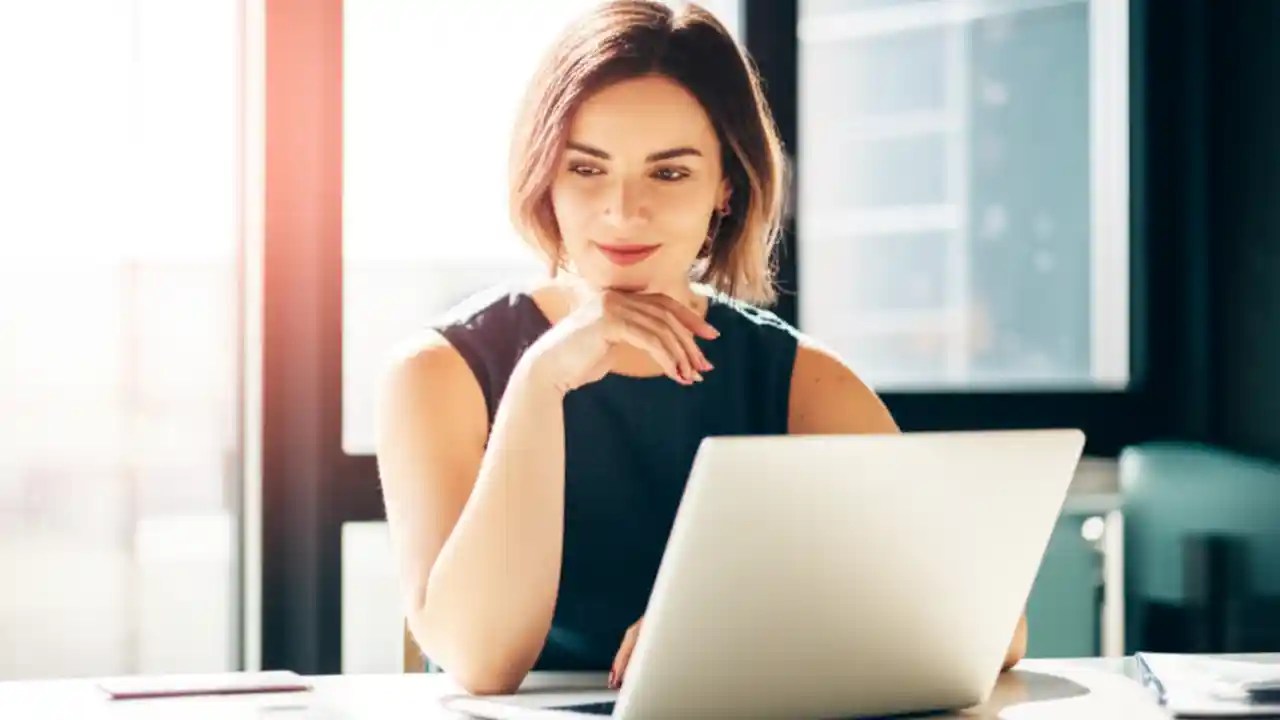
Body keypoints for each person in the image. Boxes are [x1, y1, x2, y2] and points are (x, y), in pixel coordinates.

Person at [375, 0, 1027, 697]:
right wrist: (541, 380)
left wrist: (749, 618)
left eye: (669, 173)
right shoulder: (439, 373)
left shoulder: (797, 379)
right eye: (587, 169)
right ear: (546, 177)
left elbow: (995, 627)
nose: (623, 210)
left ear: (726, 188)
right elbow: (481, 662)